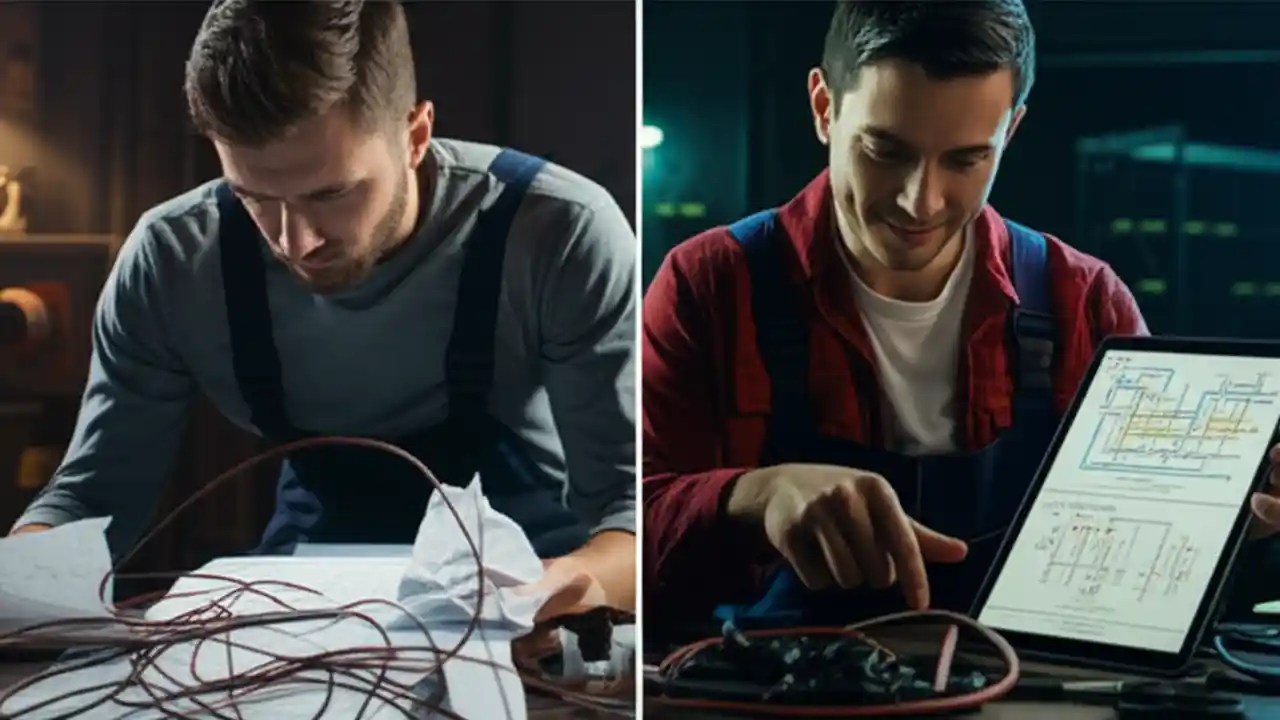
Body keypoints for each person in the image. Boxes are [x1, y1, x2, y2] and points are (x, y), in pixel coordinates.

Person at [642, 0, 1280, 635]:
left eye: (965, 160)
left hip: (1029, 682)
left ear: (1012, 131)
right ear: (824, 107)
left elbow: (1141, 567)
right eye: (885, 150)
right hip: (769, 681)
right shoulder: (713, 284)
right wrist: (756, 497)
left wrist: (1226, 529)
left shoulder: (1083, 301)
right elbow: (634, 534)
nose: (920, 201)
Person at [9, 0, 636, 625]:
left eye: (331, 193)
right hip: (299, 606)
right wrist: (19, 583)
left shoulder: (558, 233)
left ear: (416, 136)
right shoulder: (171, 261)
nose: (296, 241)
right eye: (253, 196)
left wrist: (558, 593)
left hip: (537, 598)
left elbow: (631, 511)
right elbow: (90, 501)